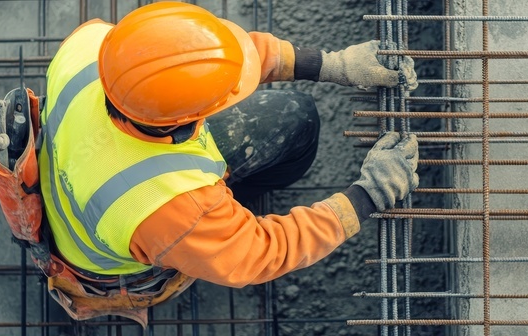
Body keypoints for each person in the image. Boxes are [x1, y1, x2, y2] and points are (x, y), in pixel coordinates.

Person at [37, 1, 419, 325]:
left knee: (295, 114)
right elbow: (263, 253)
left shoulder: (92, 47)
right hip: (110, 253)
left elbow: (196, 56)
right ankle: (223, 216)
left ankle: (220, 209)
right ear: (182, 121)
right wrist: (370, 195)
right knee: (291, 130)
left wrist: (330, 64)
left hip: (73, 178)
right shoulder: (171, 209)